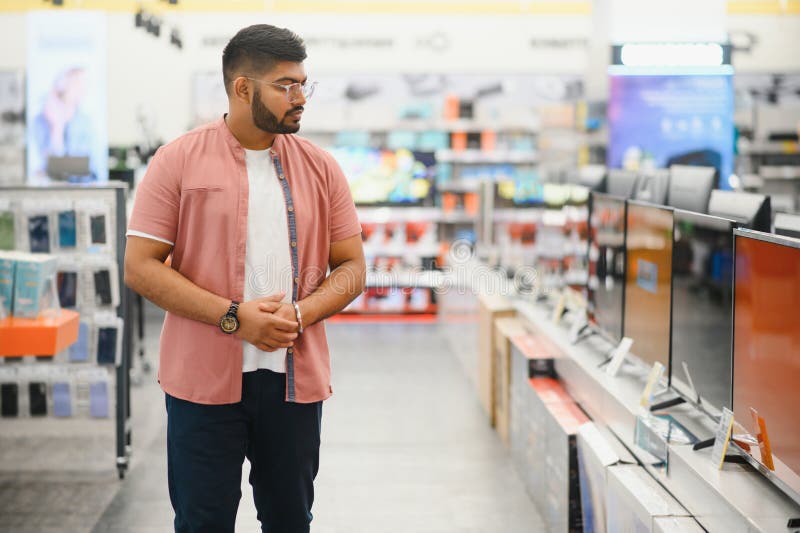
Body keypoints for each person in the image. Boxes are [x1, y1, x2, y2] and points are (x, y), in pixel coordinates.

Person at [124, 24, 366, 533]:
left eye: (304, 84)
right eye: (286, 85)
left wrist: (301, 313)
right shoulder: (177, 161)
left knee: (289, 520)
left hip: (291, 386)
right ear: (243, 88)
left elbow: (352, 268)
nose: (300, 97)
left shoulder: (321, 168)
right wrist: (234, 318)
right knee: (202, 521)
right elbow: (140, 267)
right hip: (201, 386)